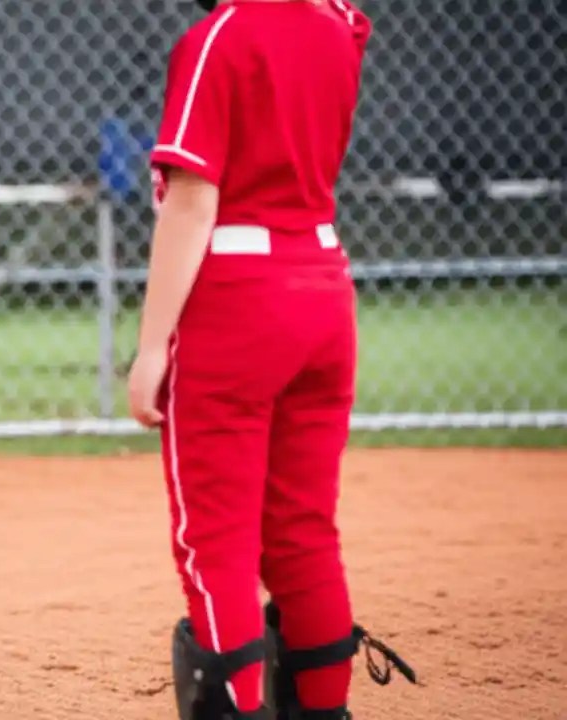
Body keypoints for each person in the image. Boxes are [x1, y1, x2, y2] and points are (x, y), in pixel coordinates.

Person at [125, 1, 418, 718]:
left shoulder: (217, 38)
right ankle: (325, 709)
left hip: (237, 296)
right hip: (322, 283)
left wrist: (150, 345)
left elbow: (193, 201)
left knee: (216, 541)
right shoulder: (335, 30)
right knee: (303, 534)